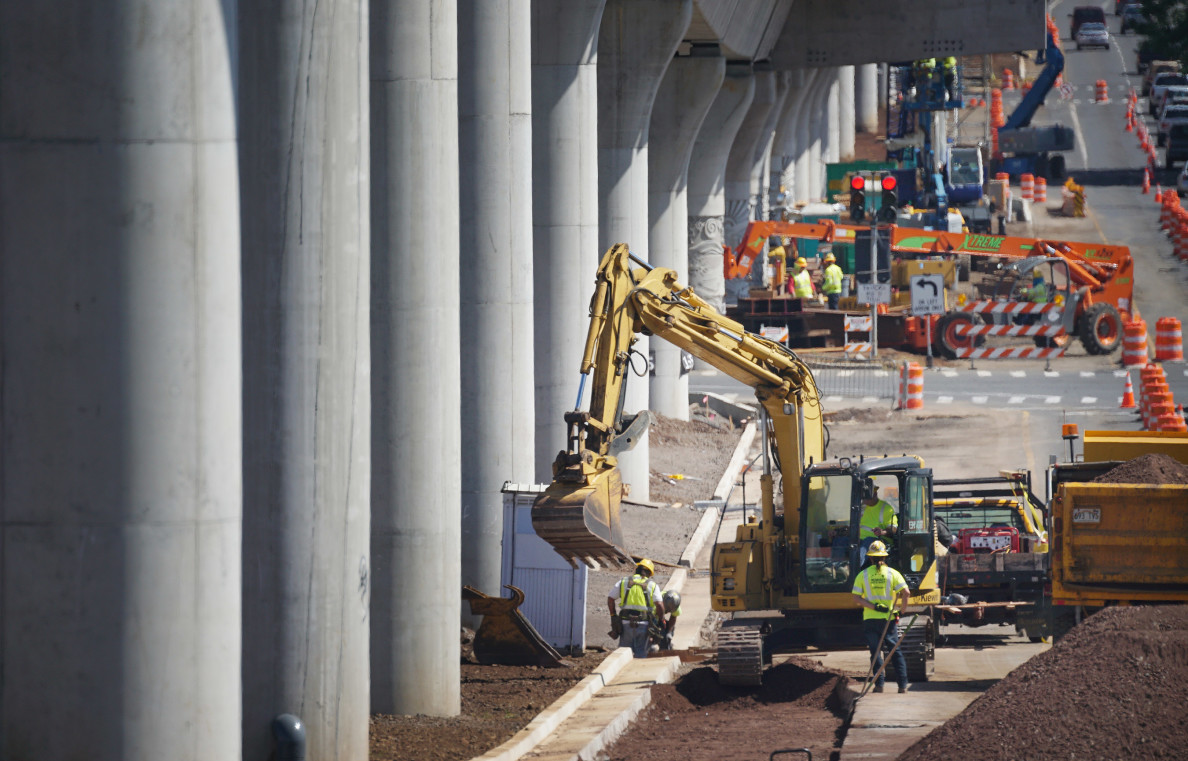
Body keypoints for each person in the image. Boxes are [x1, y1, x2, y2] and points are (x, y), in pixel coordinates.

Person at [851, 540, 911, 693]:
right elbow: (906, 593)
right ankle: (902, 686)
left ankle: (879, 685)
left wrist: (874, 607)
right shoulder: (892, 573)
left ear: (870, 558)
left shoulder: (863, 575)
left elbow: (856, 598)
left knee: (875, 652)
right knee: (894, 651)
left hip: (870, 620)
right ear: (884, 557)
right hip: (888, 620)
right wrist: (901, 611)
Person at [608, 558, 666, 658]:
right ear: (649, 573)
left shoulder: (624, 581)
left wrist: (613, 615)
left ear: (637, 569)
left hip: (625, 623)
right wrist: (662, 620)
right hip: (644, 624)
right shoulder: (652, 585)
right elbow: (660, 605)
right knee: (641, 653)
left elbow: (610, 598)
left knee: (623, 654)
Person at [858, 480, 898, 567]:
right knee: (842, 540)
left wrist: (882, 532)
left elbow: (893, 529)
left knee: (868, 542)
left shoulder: (886, 509)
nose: (863, 500)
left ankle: (854, 568)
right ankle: (838, 568)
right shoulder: (861, 507)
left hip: (879, 541)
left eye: (865, 497)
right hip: (859, 539)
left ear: (874, 494)